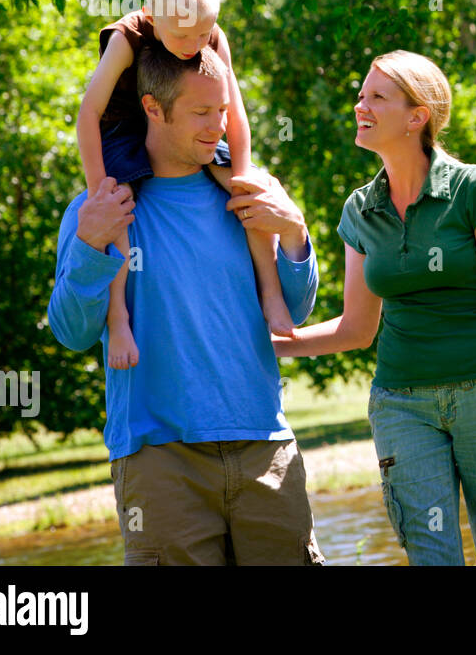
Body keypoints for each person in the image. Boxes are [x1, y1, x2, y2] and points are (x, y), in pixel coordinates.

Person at [48, 44, 324, 565]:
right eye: (201, 113)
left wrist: (294, 232)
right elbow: (70, 330)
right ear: (153, 108)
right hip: (158, 459)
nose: (218, 127)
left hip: (265, 446)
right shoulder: (98, 207)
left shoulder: (246, 190)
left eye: (222, 111)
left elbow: (296, 307)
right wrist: (88, 247)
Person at [276, 50, 476, 566]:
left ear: (416, 115)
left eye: (377, 96)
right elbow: (357, 329)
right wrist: (264, 346)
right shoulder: (360, 209)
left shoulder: (473, 190)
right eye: (361, 95)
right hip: (400, 404)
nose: (361, 104)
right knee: (432, 556)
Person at [76, 0, 293, 370]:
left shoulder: (210, 37)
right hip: (124, 126)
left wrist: (242, 169)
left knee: (249, 192)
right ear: (151, 15)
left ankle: (270, 291)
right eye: (182, 35)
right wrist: (97, 185)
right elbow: (89, 113)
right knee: (118, 207)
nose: (194, 45)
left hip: (190, 123)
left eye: (203, 32)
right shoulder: (128, 38)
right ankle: (119, 317)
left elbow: (235, 111)